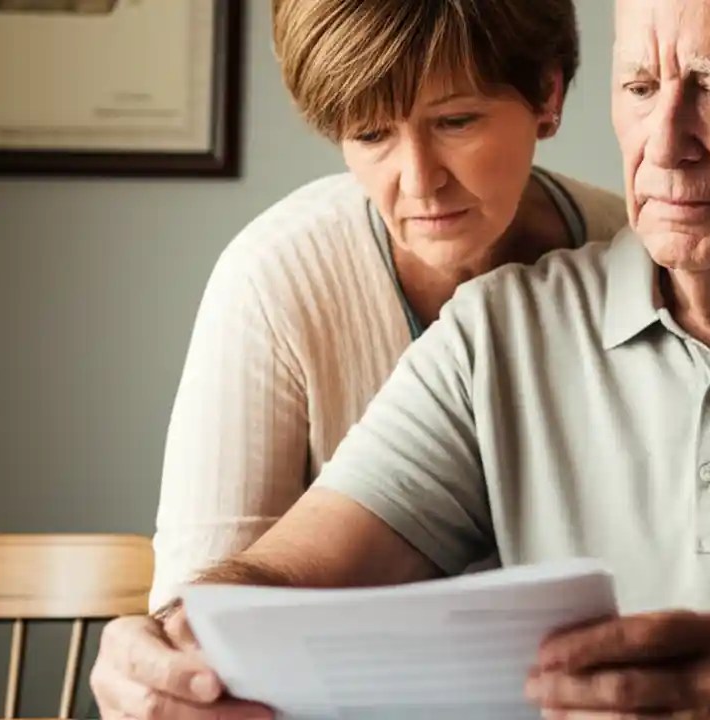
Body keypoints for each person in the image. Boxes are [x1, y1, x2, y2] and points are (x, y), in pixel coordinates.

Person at [93, 0, 710, 717]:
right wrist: (164, 647)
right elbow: (280, 579)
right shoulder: (494, 332)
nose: (665, 146)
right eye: (640, 88)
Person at [147, 0, 627, 611]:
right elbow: (196, 609)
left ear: (547, 94)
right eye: (372, 134)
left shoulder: (634, 254)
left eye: (456, 121)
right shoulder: (277, 278)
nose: (420, 181)